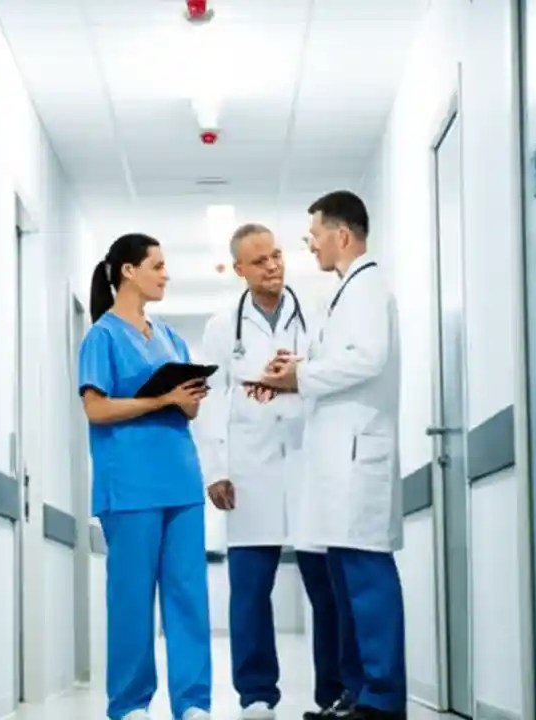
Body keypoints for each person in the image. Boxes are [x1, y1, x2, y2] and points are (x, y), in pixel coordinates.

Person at [194, 223, 360, 720]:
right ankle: (257, 695)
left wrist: (301, 370)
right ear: (240, 269)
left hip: (311, 462)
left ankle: (333, 691)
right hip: (251, 469)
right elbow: (210, 400)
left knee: (325, 589)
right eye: (260, 260)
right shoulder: (224, 326)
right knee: (249, 591)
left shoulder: (318, 309)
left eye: (277, 255)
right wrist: (216, 470)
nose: (273, 266)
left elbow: (333, 373)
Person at [259, 191, 407, 720]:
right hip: (337, 460)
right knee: (345, 582)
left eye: (314, 234)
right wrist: (299, 368)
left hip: (357, 456)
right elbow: (341, 359)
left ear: (342, 235)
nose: (310, 244)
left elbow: (368, 357)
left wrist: (303, 374)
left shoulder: (368, 287)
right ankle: (355, 693)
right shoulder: (346, 292)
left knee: (366, 578)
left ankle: (382, 700)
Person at [77, 233, 213, 720]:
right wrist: (161, 400)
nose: (165, 274)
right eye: (157, 265)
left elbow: (187, 412)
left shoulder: (171, 337)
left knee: (188, 596)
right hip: (130, 486)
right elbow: (95, 408)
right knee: (132, 600)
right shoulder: (102, 336)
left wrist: (190, 400)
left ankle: (193, 702)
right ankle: (131, 703)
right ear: (129, 271)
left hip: (180, 480)